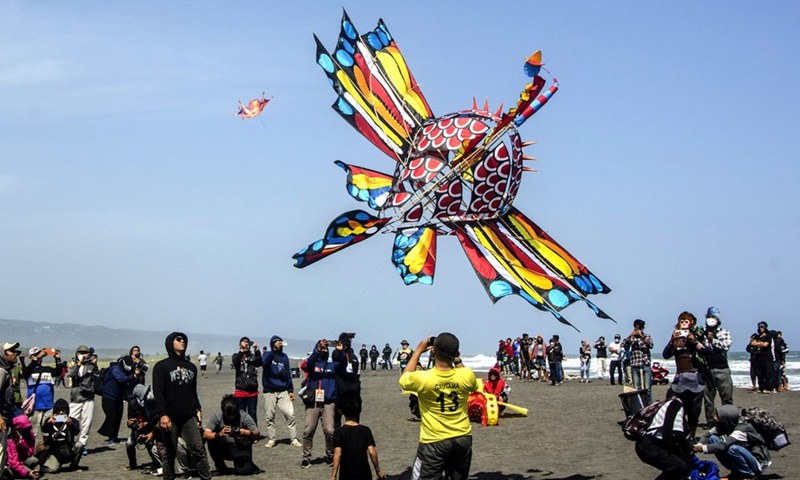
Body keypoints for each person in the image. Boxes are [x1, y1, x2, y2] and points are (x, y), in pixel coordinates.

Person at [399, 333, 478, 480]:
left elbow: (404, 378)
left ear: (433, 351)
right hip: (462, 435)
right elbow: (473, 385)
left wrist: (417, 351)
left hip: (434, 438)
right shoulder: (466, 375)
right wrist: (457, 359)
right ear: (456, 353)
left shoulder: (424, 378)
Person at [152, 332, 211, 480]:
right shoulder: (161, 366)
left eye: (184, 339)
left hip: (188, 416)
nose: (182, 341)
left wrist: (198, 409)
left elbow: (193, 391)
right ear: (170, 343)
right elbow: (158, 392)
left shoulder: (191, 367)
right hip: (170, 417)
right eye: (178, 339)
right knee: (169, 453)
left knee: (198, 449)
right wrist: (162, 414)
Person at [694, 404, 771, 479]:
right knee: (713, 439)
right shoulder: (726, 424)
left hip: (758, 462)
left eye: (717, 415)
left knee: (733, 449)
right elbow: (708, 435)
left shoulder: (741, 429)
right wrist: (699, 444)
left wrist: (701, 448)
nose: (714, 417)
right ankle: (736, 471)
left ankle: (748, 475)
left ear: (726, 417)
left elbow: (723, 445)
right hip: (745, 454)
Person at [663, 311, 706, 438]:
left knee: (694, 410)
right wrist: (671, 340)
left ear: (692, 323)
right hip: (680, 377)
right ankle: (682, 430)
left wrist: (694, 340)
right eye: (681, 321)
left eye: (687, 321)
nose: (683, 323)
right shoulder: (676, 339)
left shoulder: (697, 335)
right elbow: (666, 355)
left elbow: (707, 351)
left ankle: (692, 434)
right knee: (674, 403)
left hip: (695, 377)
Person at [301, 340, 341, 469]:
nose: (324, 350)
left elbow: (343, 364)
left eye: (325, 348)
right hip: (313, 402)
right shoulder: (313, 364)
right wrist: (317, 349)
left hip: (328, 402)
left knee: (329, 430)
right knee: (308, 430)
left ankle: (330, 455)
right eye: (322, 348)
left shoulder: (332, 366)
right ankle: (306, 458)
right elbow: (309, 363)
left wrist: (340, 351)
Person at [634, 397, 693, 480]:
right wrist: (689, 451)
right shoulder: (677, 405)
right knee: (679, 466)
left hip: (646, 443)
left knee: (682, 465)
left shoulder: (668, 403)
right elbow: (678, 434)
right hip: (650, 445)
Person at [330, 394, 386, 480]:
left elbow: (338, 454)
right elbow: (372, 452)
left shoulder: (339, 432)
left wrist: (333, 475)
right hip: (364, 473)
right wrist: (378, 470)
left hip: (346, 474)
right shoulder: (365, 430)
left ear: (341, 411)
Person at [203, 394, 261, 475]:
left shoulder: (244, 416)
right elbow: (205, 434)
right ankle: (221, 468)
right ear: (223, 411)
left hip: (240, 447)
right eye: (229, 415)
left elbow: (257, 434)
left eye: (234, 414)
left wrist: (247, 432)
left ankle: (248, 464)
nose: (232, 417)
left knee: (243, 471)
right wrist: (219, 434)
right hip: (225, 446)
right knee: (212, 439)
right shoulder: (218, 416)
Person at [261, 335, 300, 448]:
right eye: (276, 342)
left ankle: (293, 438)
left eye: (280, 342)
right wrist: (273, 351)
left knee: (290, 414)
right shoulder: (267, 354)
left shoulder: (284, 357)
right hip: (269, 390)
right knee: (269, 416)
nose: (279, 343)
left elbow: (288, 374)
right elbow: (265, 363)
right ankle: (272, 439)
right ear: (272, 343)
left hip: (283, 390)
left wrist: (290, 390)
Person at [701, 306, 733, 428]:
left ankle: (727, 420)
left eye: (713, 317)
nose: (711, 319)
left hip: (722, 368)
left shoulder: (724, 332)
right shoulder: (701, 333)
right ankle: (710, 421)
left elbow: (726, 346)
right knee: (708, 398)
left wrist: (712, 340)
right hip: (707, 368)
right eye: (709, 317)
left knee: (726, 396)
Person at [22, 347, 62, 441]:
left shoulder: (47, 369)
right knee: (32, 434)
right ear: (31, 357)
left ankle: (46, 449)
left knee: (48, 433)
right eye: (36, 355)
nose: (39, 357)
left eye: (40, 355)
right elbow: (25, 372)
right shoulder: (28, 371)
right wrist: (36, 359)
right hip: (34, 408)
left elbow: (58, 372)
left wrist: (57, 359)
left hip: (48, 406)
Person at [97, 355, 138, 444]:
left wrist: (135, 375)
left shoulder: (126, 370)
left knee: (118, 417)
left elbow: (129, 382)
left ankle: (114, 437)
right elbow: (121, 379)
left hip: (118, 397)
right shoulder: (115, 369)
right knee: (112, 416)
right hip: (109, 396)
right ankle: (109, 435)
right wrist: (133, 376)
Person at [65, 345, 97, 454]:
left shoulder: (90, 366)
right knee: (71, 421)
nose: (83, 355)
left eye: (85, 353)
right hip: (75, 398)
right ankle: (70, 443)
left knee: (86, 423)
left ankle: (82, 445)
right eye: (80, 353)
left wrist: (94, 365)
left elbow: (95, 377)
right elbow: (70, 374)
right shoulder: (73, 365)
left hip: (88, 398)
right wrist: (78, 365)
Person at [39, 398, 83, 473]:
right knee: (52, 470)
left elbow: (76, 432)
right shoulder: (51, 420)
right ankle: (53, 463)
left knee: (79, 445)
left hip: (68, 448)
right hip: (56, 451)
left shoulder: (73, 421)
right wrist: (48, 423)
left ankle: (74, 465)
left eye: (63, 410)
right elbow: (44, 430)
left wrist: (70, 424)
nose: (61, 412)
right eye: (59, 410)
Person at [125, 384, 160, 473]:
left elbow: (155, 417)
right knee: (129, 444)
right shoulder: (132, 404)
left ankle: (157, 464)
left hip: (150, 427)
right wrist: (130, 424)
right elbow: (131, 420)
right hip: (138, 429)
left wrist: (146, 424)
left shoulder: (152, 402)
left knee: (149, 443)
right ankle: (132, 465)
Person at [332, 332, 361, 428]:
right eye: (349, 339)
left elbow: (355, 372)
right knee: (336, 420)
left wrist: (356, 386)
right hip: (340, 391)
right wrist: (340, 350)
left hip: (353, 391)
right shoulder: (337, 354)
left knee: (354, 420)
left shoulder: (352, 355)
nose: (350, 341)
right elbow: (337, 361)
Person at [1, 342, 22, 475]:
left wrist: (13, 427)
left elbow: (8, 403)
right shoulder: (1, 372)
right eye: (11, 352)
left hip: (5, 420)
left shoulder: (7, 372)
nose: (15, 354)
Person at [232, 337, 262, 424]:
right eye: (244, 342)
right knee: (241, 413)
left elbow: (259, 363)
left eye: (247, 343)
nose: (246, 345)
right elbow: (235, 362)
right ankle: (241, 430)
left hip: (252, 390)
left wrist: (257, 350)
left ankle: (253, 431)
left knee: (252, 413)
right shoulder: (236, 356)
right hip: (241, 389)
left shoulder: (252, 356)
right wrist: (241, 351)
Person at [623, 319, 654, 405]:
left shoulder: (647, 336)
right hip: (635, 363)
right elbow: (625, 346)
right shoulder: (632, 338)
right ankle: (639, 405)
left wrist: (642, 336)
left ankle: (648, 404)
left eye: (639, 328)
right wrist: (630, 335)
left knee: (647, 387)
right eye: (636, 327)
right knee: (637, 387)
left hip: (645, 363)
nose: (637, 329)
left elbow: (650, 345)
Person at [6, 414, 40, 479]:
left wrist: (22, 442)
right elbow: (13, 462)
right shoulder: (11, 440)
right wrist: (27, 473)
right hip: (13, 464)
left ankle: (26, 470)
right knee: (30, 475)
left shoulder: (30, 434)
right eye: (25, 429)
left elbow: (30, 452)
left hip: (23, 458)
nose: (27, 431)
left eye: (28, 428)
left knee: (35, 461)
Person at [747, 321, 777, 393]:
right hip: (758, 357)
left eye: (762, 327)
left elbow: (765, 344)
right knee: (759, 373)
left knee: (768, 373)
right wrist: (760, 343)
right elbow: (752, 343)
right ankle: (761, 388)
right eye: (759, 327)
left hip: (767, 357)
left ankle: (769, 388)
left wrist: (758, 343)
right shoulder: (757, 336)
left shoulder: (768, 336)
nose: (761, 328)